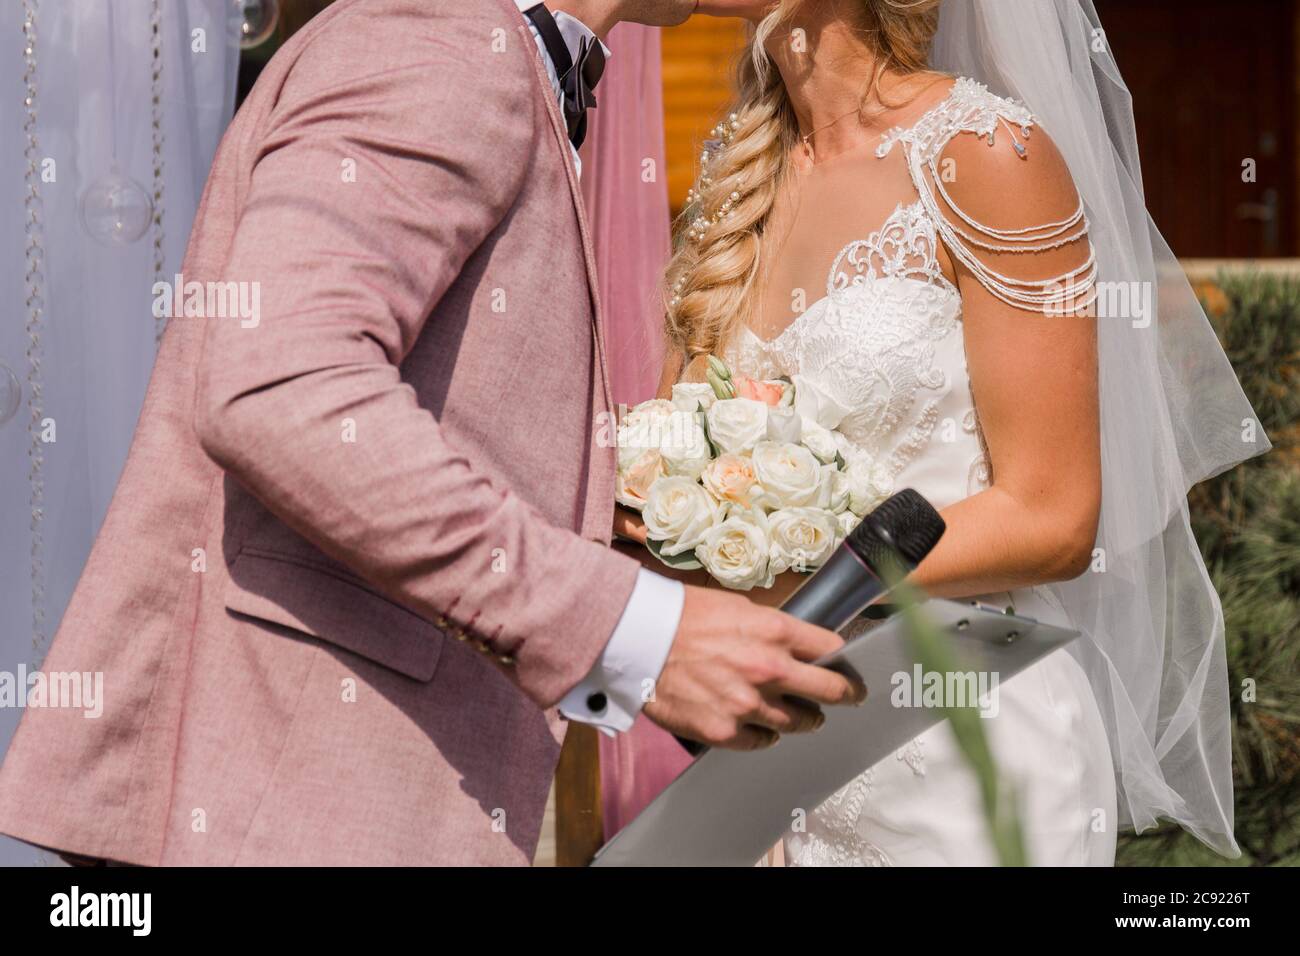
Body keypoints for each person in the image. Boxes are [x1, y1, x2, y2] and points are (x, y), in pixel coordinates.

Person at [0, 0, 862, 867]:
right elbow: (285, 386)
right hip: (290, 799)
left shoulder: (482, 50)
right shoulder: (441, 41)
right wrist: (624, 632)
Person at [616, 0, 1268, 865]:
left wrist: (788, 572)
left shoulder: (987, 152)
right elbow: (672, 474)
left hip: (957, 740)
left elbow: (1052, 517)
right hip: (779, 757)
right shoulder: (737, 177)